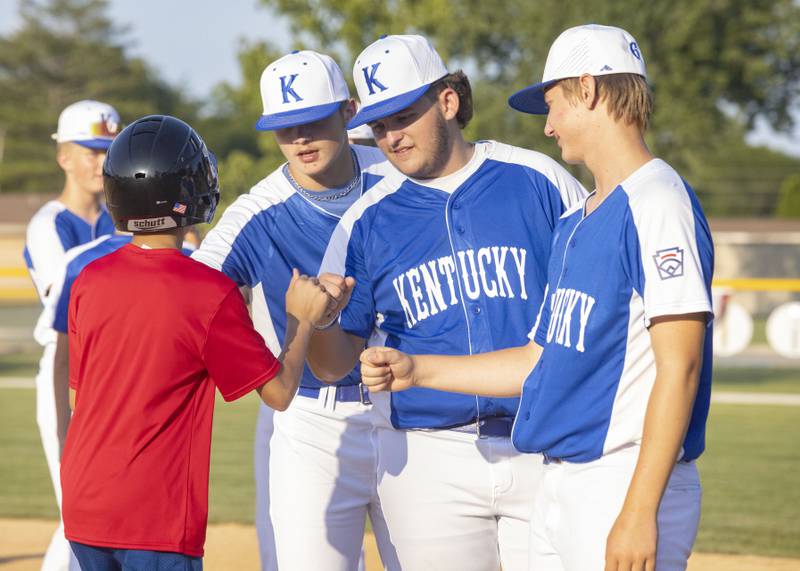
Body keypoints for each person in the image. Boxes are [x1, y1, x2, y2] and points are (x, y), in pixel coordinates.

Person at [359, 24, 713, 571]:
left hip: (623, 476)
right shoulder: (578, 219)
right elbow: (537, 362)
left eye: (553, 104)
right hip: (562, 480)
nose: (547, 127)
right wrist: (417, 369)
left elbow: (681, 367)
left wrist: (640, 510)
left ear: (589, 90)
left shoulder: (657, 202)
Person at [310, 34, 586, 571]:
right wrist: (320, 324)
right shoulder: (366, 219)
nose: (390, 136)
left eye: (403, 116)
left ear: (449, 101)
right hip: (426, 460)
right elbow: (332, 366)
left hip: (544, 446)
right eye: (379, 124)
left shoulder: (539, 181)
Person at [60, 114, 331, 570]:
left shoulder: (89, 279)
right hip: (155, 516)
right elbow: (280, 392)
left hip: (84, 505)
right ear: (187, 193)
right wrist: (300, 320)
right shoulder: (207, 290)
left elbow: (77, 398)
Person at [192, 50, 400, 571]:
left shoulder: (400, 175)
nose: (300, 138)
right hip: (313, 420)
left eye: (312, 121)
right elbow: (190, 295)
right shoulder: (256, 211)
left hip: (414, 412)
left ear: (349, 111)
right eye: (285, 127)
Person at [24, 99, 120, 571]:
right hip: (66, 369)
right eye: (91, 150)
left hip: (115, 374)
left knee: (107, 510)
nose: (102, 162)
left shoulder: (119, 220)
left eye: (109, 150)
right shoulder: (49, 224)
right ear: (64, 155)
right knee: (79, 509)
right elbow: (71, 295)